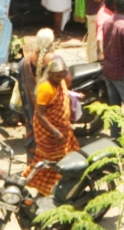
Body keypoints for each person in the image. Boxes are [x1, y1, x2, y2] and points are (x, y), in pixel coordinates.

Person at [29, 57, 79, 195]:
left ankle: (60, 187)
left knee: (66, 158)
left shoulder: (60, 82)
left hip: (63, 129)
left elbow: (62, 96)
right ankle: (48, 190)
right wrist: (55, 132)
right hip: (49, 133)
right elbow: (39, 114)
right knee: (51, 163)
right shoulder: (45, 88)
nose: (61, 78)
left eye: (63, 74)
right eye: (58, 75)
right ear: (50, 74)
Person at [17, 28, 58, 148]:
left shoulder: (24, 61)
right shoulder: (54, 60)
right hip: (50, 113)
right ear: (51, 43)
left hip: (32, 113)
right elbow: (65, 83)